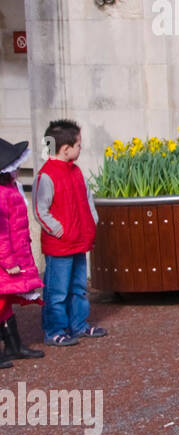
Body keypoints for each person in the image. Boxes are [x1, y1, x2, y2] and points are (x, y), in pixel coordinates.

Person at [34, 120, 107, 347]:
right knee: (56, 293)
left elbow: (87, 200)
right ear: (65, 148)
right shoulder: (46, 175)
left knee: (78, 289)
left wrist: (91, 222)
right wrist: (59, 230)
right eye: (78, 144)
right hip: (61, 244)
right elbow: (40, 210)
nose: (80, 148)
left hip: (78, 241)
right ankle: (54, 330)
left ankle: (78, 325)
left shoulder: (76, 172)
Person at [0, 138, 44, 366]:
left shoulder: (10, 190)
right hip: (4, 259)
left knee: (5, 304)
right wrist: (7, 261)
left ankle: (14, 346)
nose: (17, 170)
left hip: (14, 255)